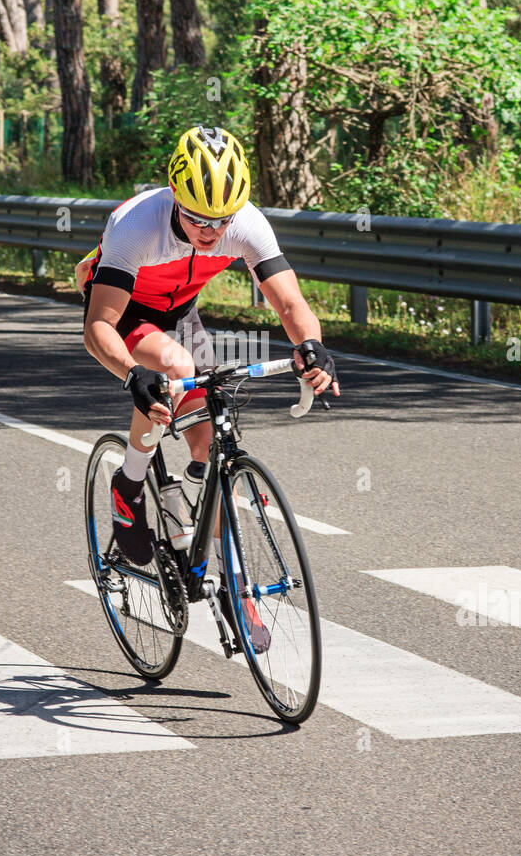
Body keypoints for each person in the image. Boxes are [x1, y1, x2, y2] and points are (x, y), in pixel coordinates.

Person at [78, 125, 339, 648]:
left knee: (211, 437)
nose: (209, 230)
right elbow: (97, 327)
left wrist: (311, 345)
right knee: (172, 365)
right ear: (175, 197)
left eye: (220, 221)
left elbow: (289, 304)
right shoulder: (137, 226)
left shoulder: (246, 222)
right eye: (197, 219)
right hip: (126, 311)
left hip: (181, 310)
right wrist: (134, 374)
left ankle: (228, 579)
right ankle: (129, 486)